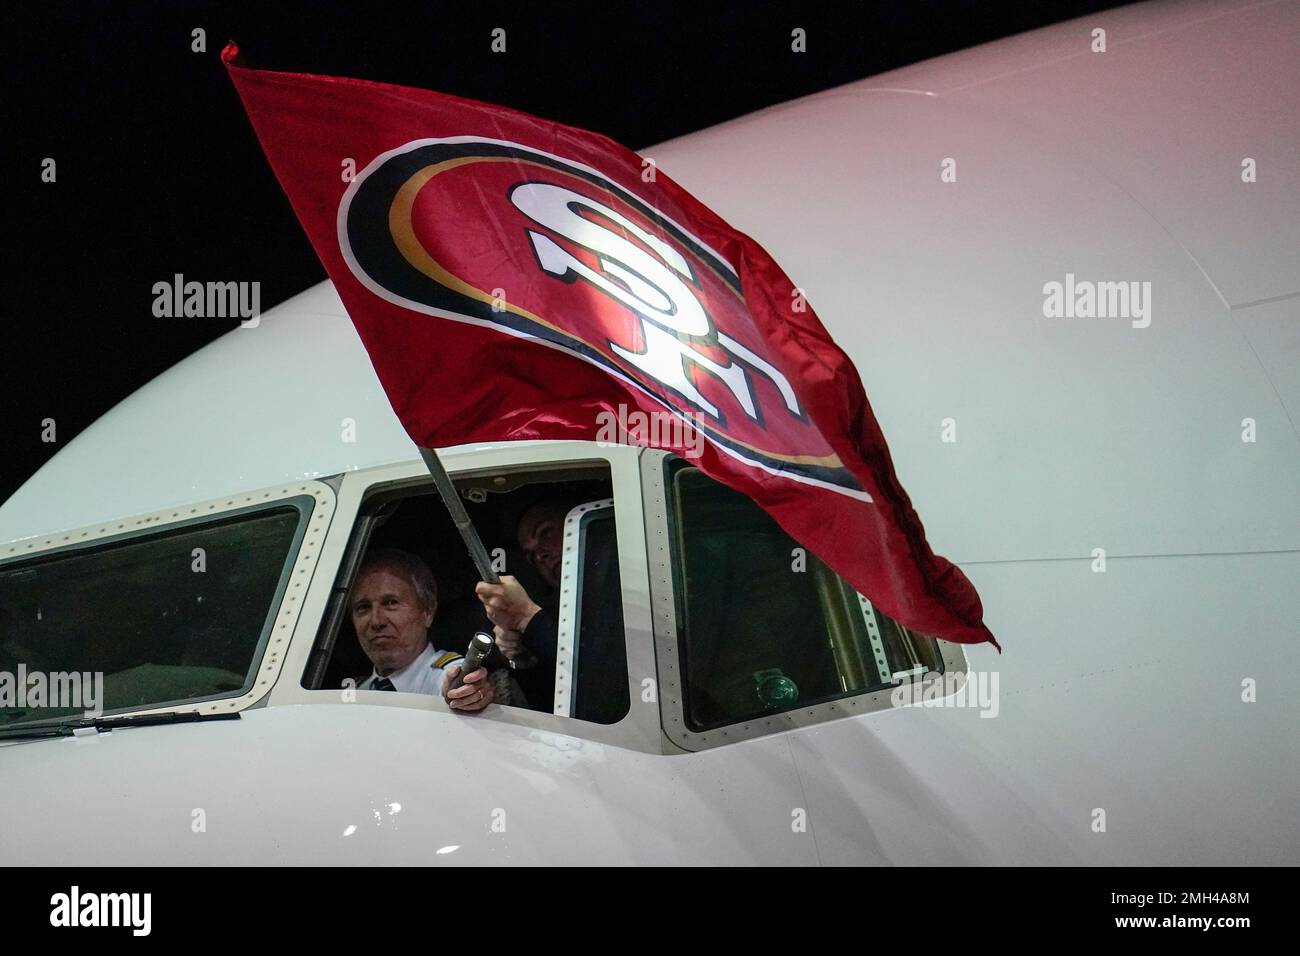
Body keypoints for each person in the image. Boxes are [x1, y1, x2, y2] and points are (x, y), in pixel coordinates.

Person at [475, 498, 628, 720]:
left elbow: (613, 689)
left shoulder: (633, 584)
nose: (540, 556)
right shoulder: (561, 614)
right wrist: (523, 659)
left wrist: (527, 617)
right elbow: (555, 708)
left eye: (546, 533)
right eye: (531, 555)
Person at [350, 547, 493, 712]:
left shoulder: (446, 674)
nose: (376, 621)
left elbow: (457, 687)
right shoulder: (355, 693)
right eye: (363, 607)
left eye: (391, 603)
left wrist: (464, 693)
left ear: (428, 611)